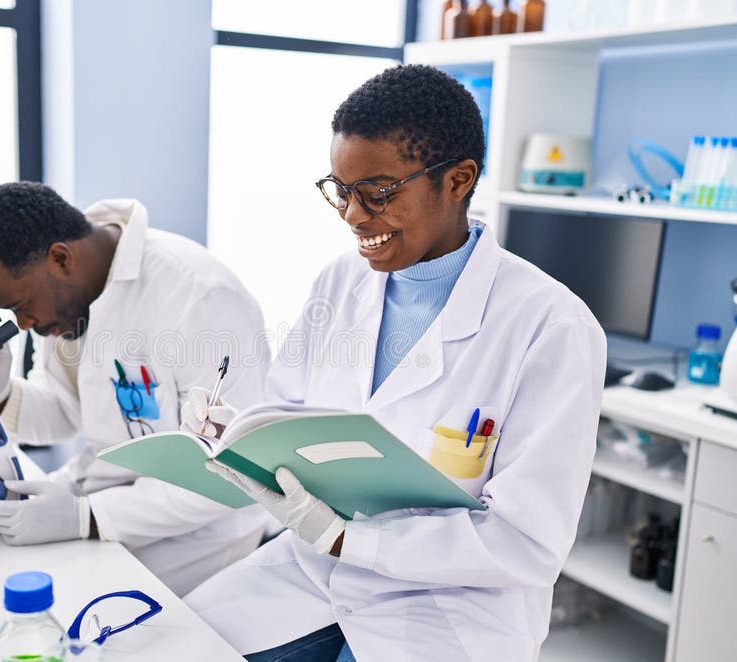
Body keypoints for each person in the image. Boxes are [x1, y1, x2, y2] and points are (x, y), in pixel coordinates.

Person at [183, 64, 606, 660]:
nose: (353, 216)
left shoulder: (551, 327)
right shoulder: (340, 282)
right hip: (307, 576)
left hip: (448, 608)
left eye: (378, 192)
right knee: (174, 641)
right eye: (340, 190)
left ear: (458, 180)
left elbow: (526, 541)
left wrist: (347, 539)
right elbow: (292, 411)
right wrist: (236, 431)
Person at [0, 183, 271, 596]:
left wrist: (87, 516)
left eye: (21, 305)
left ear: (60, 258)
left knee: (67, 611)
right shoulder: (66, 300)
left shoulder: (199, 295)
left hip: (199, 536)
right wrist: (0, 394)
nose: (22, 324)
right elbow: (66, 416)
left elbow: (228, 476)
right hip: (105, 498)